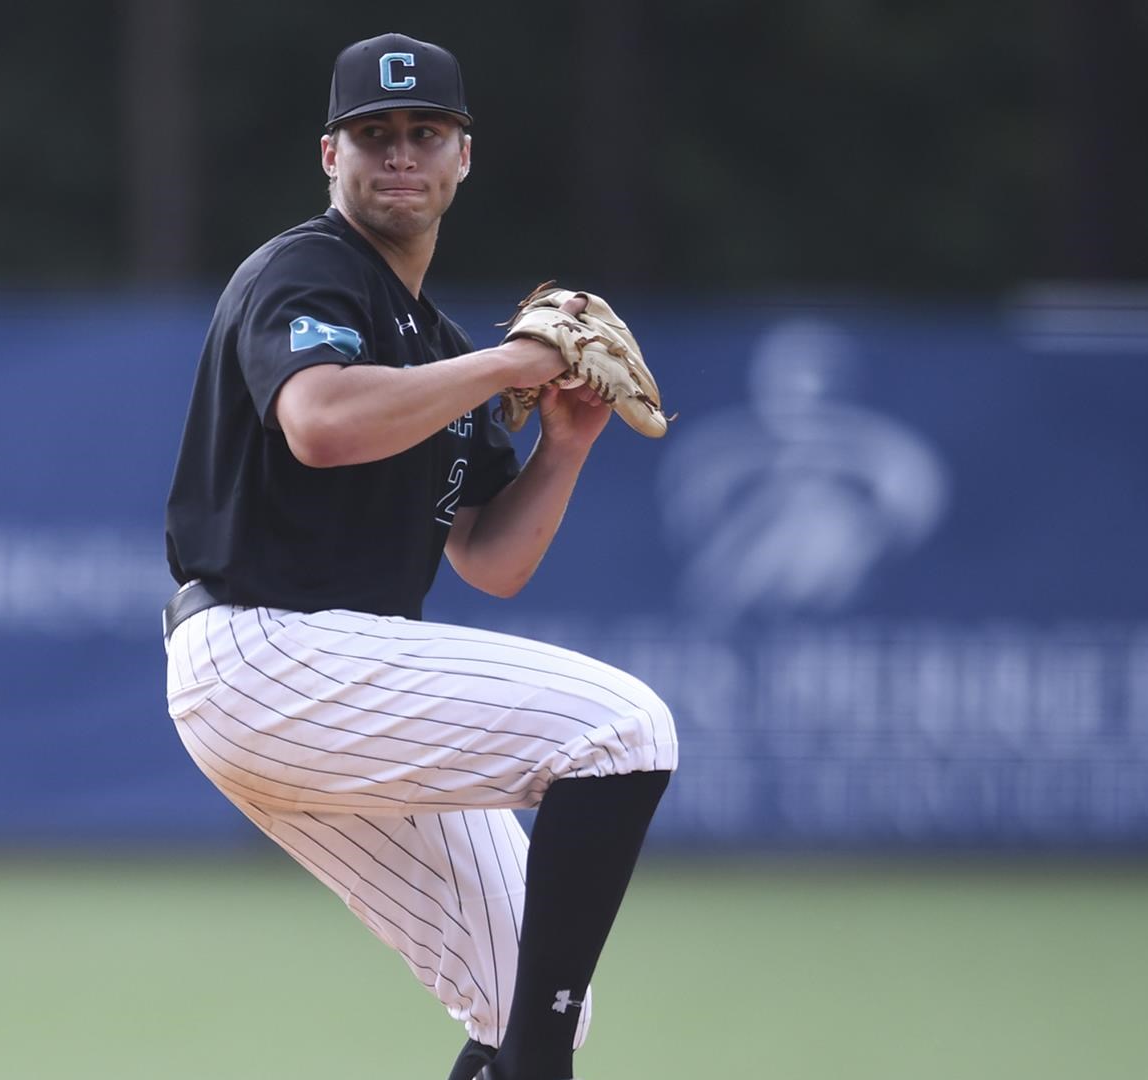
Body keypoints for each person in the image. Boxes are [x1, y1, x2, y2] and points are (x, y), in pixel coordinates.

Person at [162, 32, 678, 1080]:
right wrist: (513, 363)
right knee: (625, 728)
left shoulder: (440, 348)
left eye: (425, 133)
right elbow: (320, 422)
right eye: (375, 135)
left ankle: (531, 1056)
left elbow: (492, 558)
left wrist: (564, 444)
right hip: (262, 650)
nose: (400, 154)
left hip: (326, 685)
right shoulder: (309, 272)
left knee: (520, 991)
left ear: (462, 158)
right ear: (330, 158)